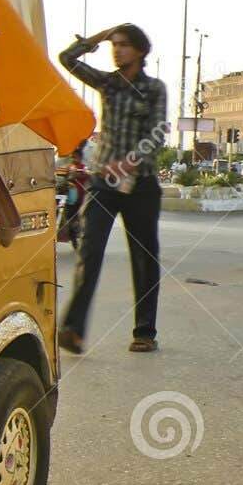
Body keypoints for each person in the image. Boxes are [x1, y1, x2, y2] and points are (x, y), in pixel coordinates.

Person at [56, 24, 168, 354]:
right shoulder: (108, 84)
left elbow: (158, 133)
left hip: (141, 185)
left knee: (144, 258)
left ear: (140, 51)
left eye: (123, 45)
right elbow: (67, 58)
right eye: (114, 45)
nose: (116, 51)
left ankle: (144, 331)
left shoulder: (154, 89)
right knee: (89, 253)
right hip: (103, 182)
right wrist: (100, 37)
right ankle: (74, 330)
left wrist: (129, 162)